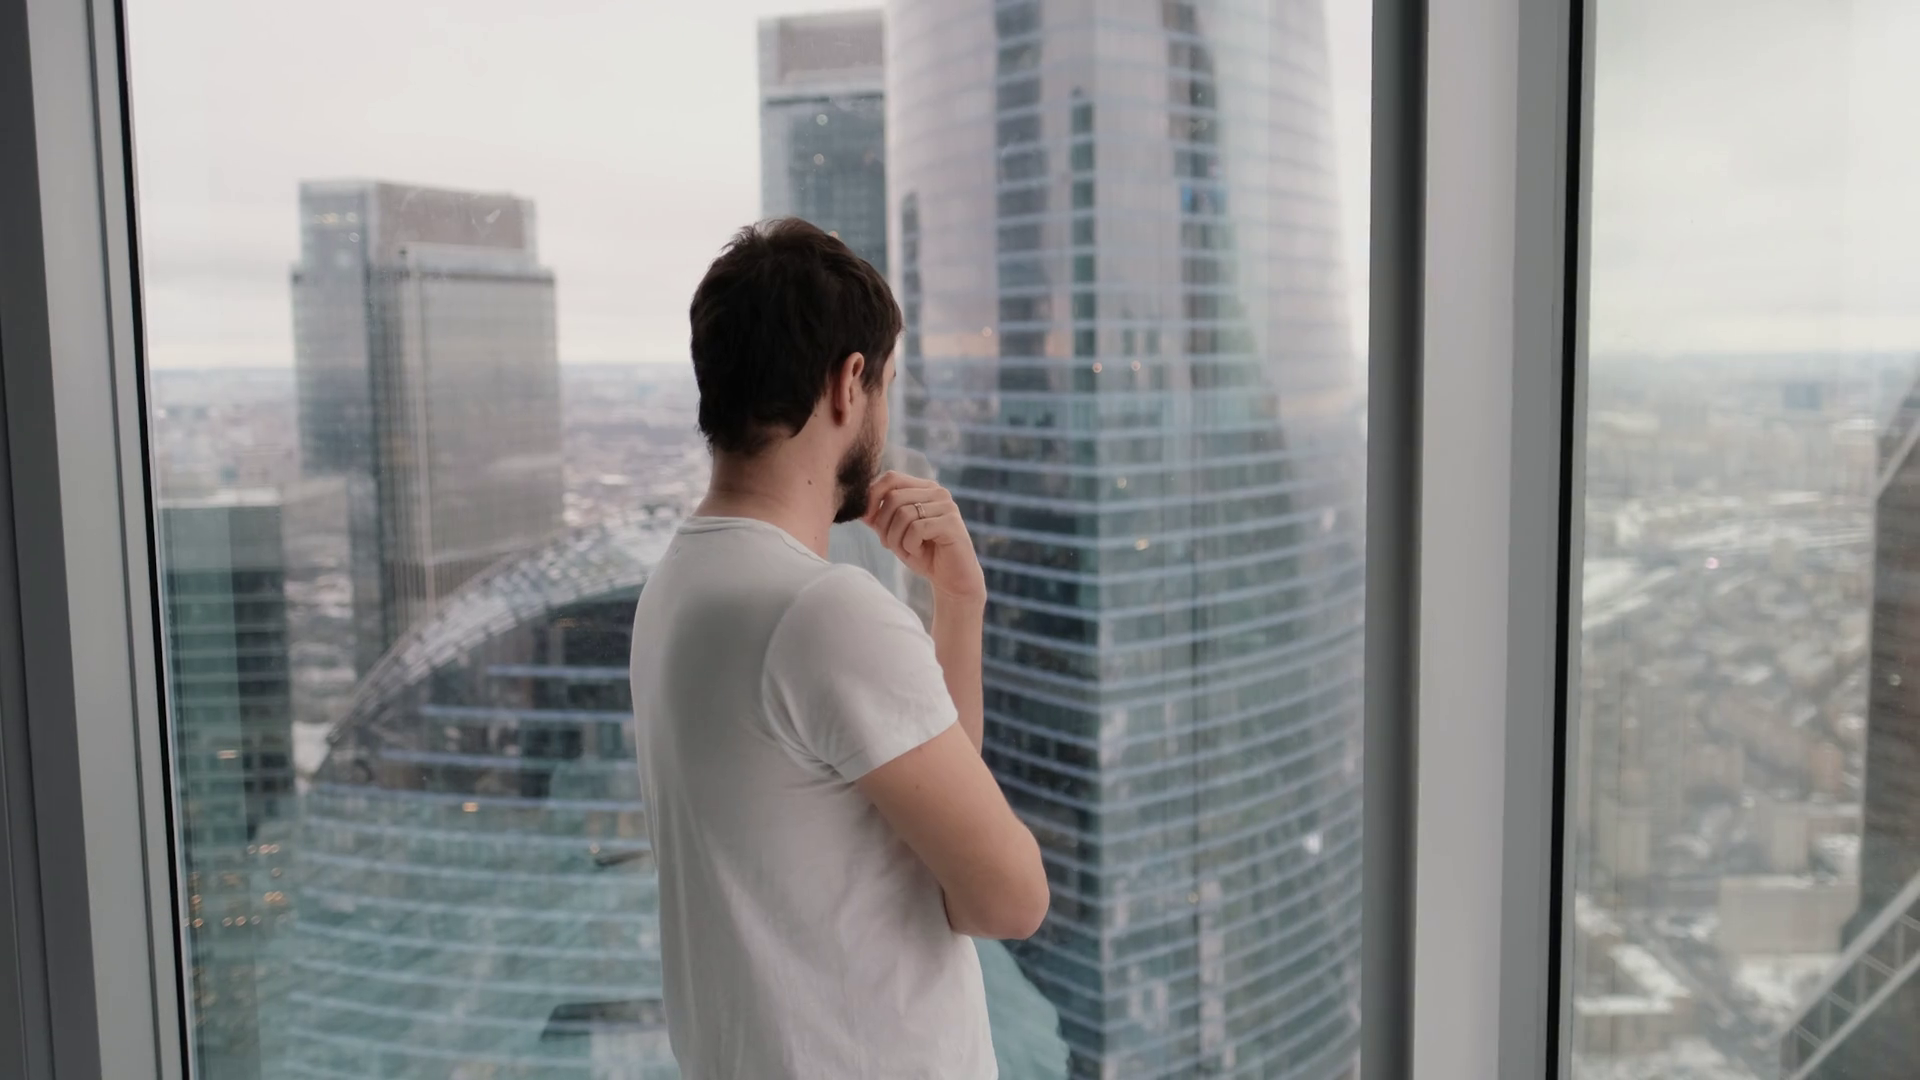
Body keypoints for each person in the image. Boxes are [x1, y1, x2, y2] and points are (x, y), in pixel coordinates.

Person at [628, 218, 1049, 1079]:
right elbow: (1008, 900)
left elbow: (930, 802)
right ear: (847, 384)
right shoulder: (821, 612)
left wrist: (957, 605)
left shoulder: (680, 585)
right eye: (887, 383)